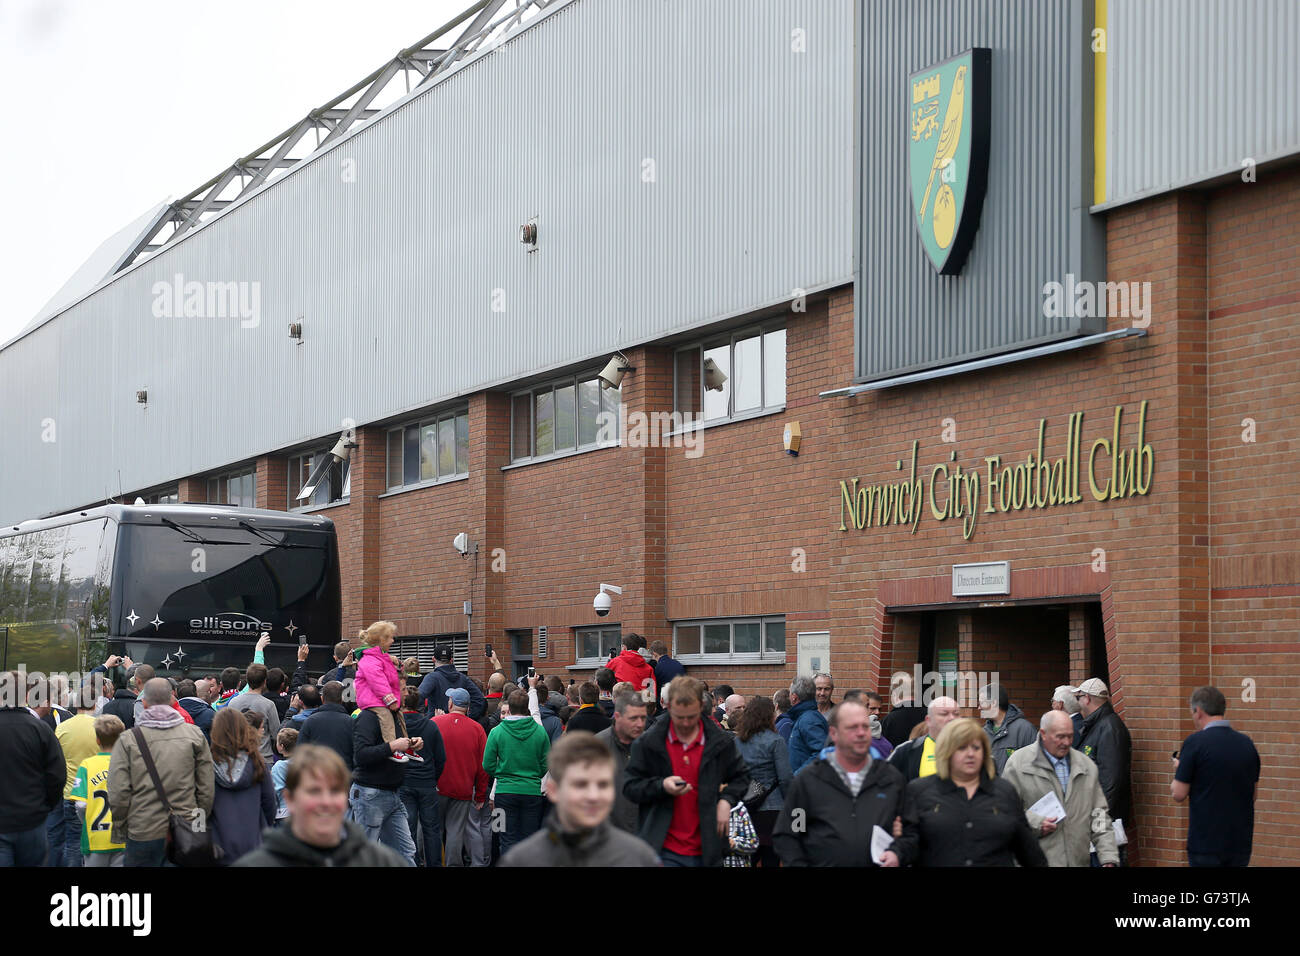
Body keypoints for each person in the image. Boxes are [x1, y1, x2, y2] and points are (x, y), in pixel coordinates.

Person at [883, 718, 1046, 868]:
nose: (970, 754)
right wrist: (896, 854)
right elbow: (909, 840)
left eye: (976, 747)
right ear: (946, 752)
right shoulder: (920, 791)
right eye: (961, 748)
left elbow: (1027, 849)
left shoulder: (1004, 792)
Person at [623, 676, 750, 867]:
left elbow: (741, 777)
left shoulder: (719, 743)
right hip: (663, 848)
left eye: (691, 717)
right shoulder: (648, 744)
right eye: (679, 717)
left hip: (708, 847)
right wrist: (661, 785)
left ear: (701, 707)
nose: (684, 723)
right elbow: (630, 786)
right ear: (668, 707)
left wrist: (726, 801)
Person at [774, 699, 906, 867]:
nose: (860, 733)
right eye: (852, 727)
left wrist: (898, 852)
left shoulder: (890, 779)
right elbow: (790, 834)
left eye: (865, 726)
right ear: (834, 733)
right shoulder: (809, 782)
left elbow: (910, 830)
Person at [500, 732, 659, 866]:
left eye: (603, 785)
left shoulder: (640, 858)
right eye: (580, 785)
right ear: (553, 790)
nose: (593, 796)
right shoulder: (521, 860)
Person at [233, 745, 405, 867]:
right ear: (290, 799)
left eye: (335, 791)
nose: (326, 802)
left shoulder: (383, 861)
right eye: (314, 791)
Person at [107, 677, 214, 867]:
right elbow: (205, 789)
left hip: (142, 829)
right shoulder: (194, 735)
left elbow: (118, 792)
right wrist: (197, 823)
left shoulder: (128, 740)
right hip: (185, 829)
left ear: (144, 703)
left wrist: (122, 828)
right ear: (173, 699)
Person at [1002, 711, 1118, 867]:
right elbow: (1005, 810)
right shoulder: (1018, 764)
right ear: (1043, 734)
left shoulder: (1086, 766)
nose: (1066, 742)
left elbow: (1099, 815)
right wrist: (1036, 823)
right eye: (1060, 736)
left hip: (1078, 862)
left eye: (1070, 736)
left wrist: (1108, 857)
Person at [1171, 685, 1261, 867]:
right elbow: (1253, 795)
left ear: (1198, 711)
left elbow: (1178, 793)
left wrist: (1181, 769)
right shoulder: (1247, 744)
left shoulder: (1194, 743)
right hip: (1239, 843)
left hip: (1206, 843)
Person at [351, 684, 423, 864]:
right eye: (404, 688)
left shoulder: (393, 715)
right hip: (371, 795)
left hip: (391, 794)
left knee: (406, 851)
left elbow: (392, 749)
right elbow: (361, 755)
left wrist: (410, 744)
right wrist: (393, 746)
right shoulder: (368, 716)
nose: (407, 693)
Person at [0, 672, 65, 867]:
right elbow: (57, 775)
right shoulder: (40, 730)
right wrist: (44, 805)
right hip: (32, 821)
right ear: (27, 695)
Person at [483, 687, 551, 857]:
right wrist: (535, 775)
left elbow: (487, 764)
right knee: (530, 839)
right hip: (532, 793)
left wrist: (501, 773)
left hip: (504, 793)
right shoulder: (540, 731)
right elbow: (548, 762)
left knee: (504, 837)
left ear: (509, 708)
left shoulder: (496, 732)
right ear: (526, 707)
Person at [208, 707, 277, 864]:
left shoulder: (206, 765)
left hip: (218, 845)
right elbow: (269, 802)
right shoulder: (257, 762)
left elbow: (202, 804)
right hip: (253, 842)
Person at [1074, 678, 1132, 864]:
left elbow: (1111, 780)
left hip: (1103, 826)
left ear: (1088, 699)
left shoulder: (1109, 728)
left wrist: (1098, 821)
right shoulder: (1097, 726)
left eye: (1079, 697)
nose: (1077, 702)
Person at [434, 687, 490, 866]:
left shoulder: (435, 722)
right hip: (463, 789)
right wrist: (480, 795)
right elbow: (484, 766)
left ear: (450, 703)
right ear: (467, 707)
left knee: (433, 830)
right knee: (455, 833)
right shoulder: (477, 729)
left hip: (437, 787)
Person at [734, 695, 793, 867]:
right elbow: (785, 778)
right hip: (772, 809)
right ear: (769, 716)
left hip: (745, 808)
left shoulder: (737, 741)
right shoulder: (776, 741)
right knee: (771, 859)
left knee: (747, 859)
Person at [353, 621, 420, 763]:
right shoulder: (370, 660)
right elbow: (378, 682)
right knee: (386, 717)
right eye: (390, 637)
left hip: (378, 698)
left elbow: (392, 677)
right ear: (380, 640)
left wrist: (398, 665)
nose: (393, 640)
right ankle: (393, 748)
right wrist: (390, 699)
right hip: (372, 699)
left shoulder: (379, 657)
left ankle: (406, 746)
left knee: (399, 715)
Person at [69, 714, 127, 867]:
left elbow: (80, 805)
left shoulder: (87, 765)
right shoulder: (128, 763)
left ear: (97, 740)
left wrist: (87, 821)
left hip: (95, 836)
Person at [398, 687, 447, 866]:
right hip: (427, 783)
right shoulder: (431, 725)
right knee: (432, 830)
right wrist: (433, 778)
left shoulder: (396, 726)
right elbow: (441, 758)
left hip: (404, 783)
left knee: (407, 829)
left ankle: (411, 862)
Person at [55, 685, 101, 867]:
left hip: (71, 792)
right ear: (95, 704)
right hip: (98, 793)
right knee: (98, 843)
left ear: (75, 704)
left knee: (72, 843)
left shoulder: (63, 728)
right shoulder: (102, 726)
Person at [594, 691, 647, 834]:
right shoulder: (597, 747)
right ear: (617, 716)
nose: (640, 724)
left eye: (643, 718)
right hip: (608, 836)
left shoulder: (651, 745)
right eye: (634, 718)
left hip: (644, 835)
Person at [889, 696, 960, 780]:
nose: (951, 718)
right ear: (928, 720)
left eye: (956, 714)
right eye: (944, 714)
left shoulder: (974, 747)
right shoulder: (907, 750)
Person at [227, 663, 281, 762]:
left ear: (247, 680)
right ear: (265, 682)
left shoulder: (233, 702)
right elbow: (276, 734)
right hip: (263, 758)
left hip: (238, 759)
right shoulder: (269, 705)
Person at [418, 645, 486, 720]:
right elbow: (480, 699)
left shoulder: (431, 678)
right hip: (459, 724)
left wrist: (423, 718)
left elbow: (417, 697)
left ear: (433, 659)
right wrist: (469, 717)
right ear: (451, 660)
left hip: (436, 725)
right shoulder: (463, 678)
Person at [297, 681, 354, 770]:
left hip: (316, 775)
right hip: (343, 776)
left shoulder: (310, 721)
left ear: (322, 699)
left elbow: (300, 752)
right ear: (342, 700)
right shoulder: (351, 722)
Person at [980, 685, 1037, 774]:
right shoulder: (982, 733)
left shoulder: (1025, 730)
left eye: (982, 703)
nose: (979, 707)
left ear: (994, 703)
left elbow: (1035, 766)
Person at [786, 675, 829, 774]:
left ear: (794, 697)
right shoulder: (804, 717)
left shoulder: (808, 720)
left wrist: (798, 776)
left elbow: (822, 753)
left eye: (790, 693)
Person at [610, 633, 656, 703]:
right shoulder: (649, 668)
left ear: (624, 647)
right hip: (641, 704)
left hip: (622, 704)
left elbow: (603, 679)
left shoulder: (615, 662)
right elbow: (652, 692)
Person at [271, 727, 298, 825]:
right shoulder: (302, 762)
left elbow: (275, 791)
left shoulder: (279, 767)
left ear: (281, 746)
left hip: (282, 812)